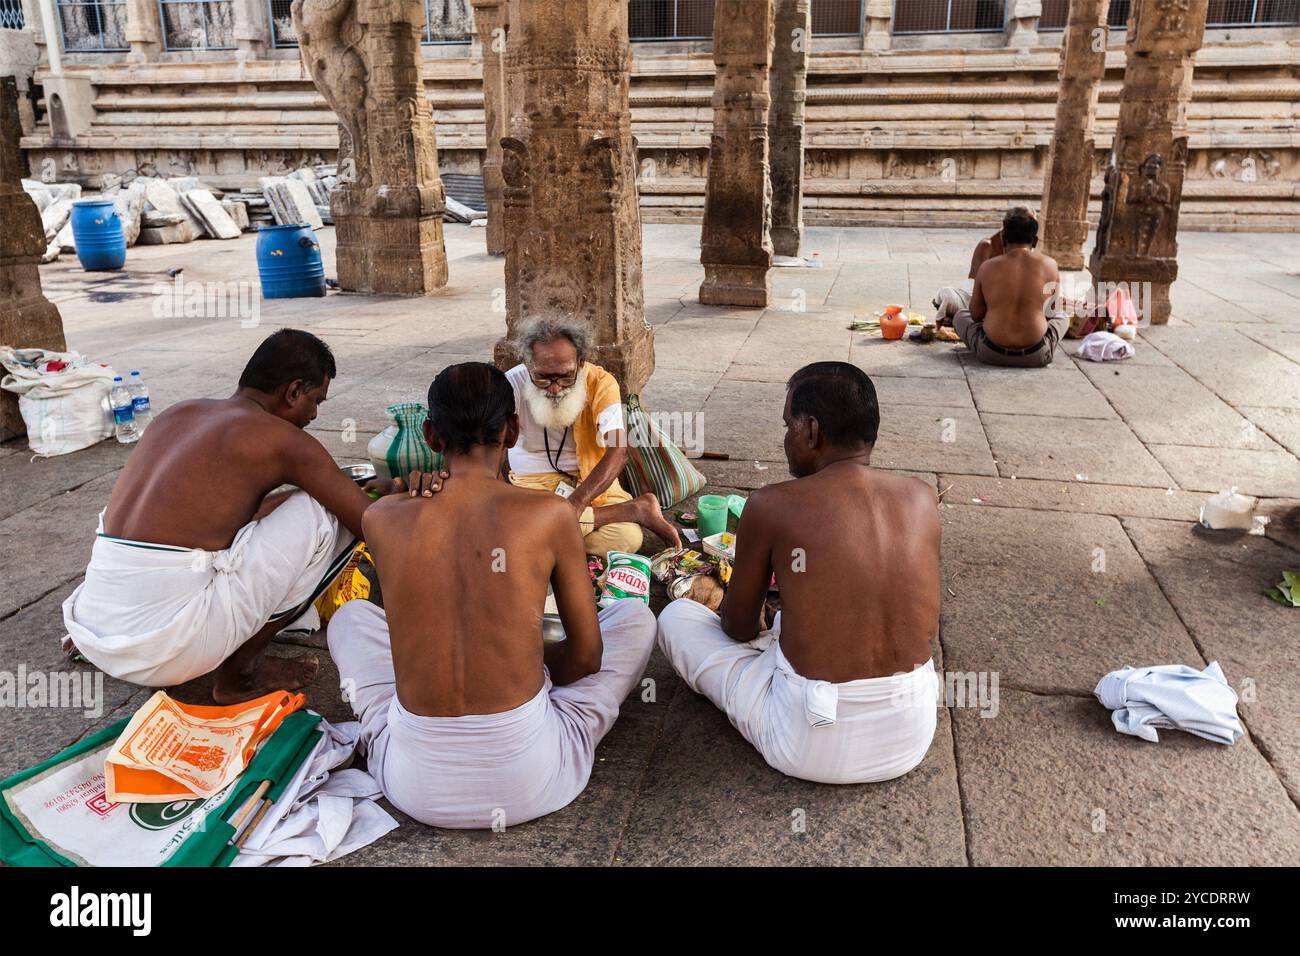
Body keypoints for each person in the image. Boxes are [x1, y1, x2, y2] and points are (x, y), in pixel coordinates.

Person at [328, 362, 657, 829]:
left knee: (351, 618)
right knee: (635, 617)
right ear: (512, 430)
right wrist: (527, 663)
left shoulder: (382, 517)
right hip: (535, 780)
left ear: (430, 436)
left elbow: (425, 610)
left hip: (414, 786)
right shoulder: (551, 513)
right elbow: (585, 659)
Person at [61, 328, 436, 703]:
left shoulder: (179, 414)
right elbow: (368, 523)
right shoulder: (283, 440)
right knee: (322, 515)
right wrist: (414, 501)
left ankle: (152, 634)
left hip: (94, 631)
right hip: (164, 649)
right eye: (315, 400)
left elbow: (238, 515)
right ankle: (239, 675)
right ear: (292, 391)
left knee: (300, 504)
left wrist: (357, 492)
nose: (314, 414)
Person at [657, 362, 939, 785]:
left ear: (811, 431)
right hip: (911, 735)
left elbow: (736, 628)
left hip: (810, 745)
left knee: (676, 619)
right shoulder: (921, 497)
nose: (785, 438)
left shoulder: (773, 504)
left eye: (788, 425)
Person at [504, 317, 679, 556]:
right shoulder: (511, 383)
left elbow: (618, 451)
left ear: (580, 363)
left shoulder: (601, 383)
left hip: (590, 484)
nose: (555, 388)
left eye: (565, 377)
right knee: (519, 529)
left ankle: (550, 541)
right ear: (528, 364)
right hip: (533, 484)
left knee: (626, 537)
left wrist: (576, 504)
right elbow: (488, 443)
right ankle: (632, 510)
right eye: (543, 377)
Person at [954, 206, 1068, 367]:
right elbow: (1051, 313)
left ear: (1002, 238)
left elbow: (975, 314)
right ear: (1035, 241)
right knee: (1063, 317)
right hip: (1036, 355)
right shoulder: (1051, 265)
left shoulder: (987, 267)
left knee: (960, 316)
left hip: (991, 353)